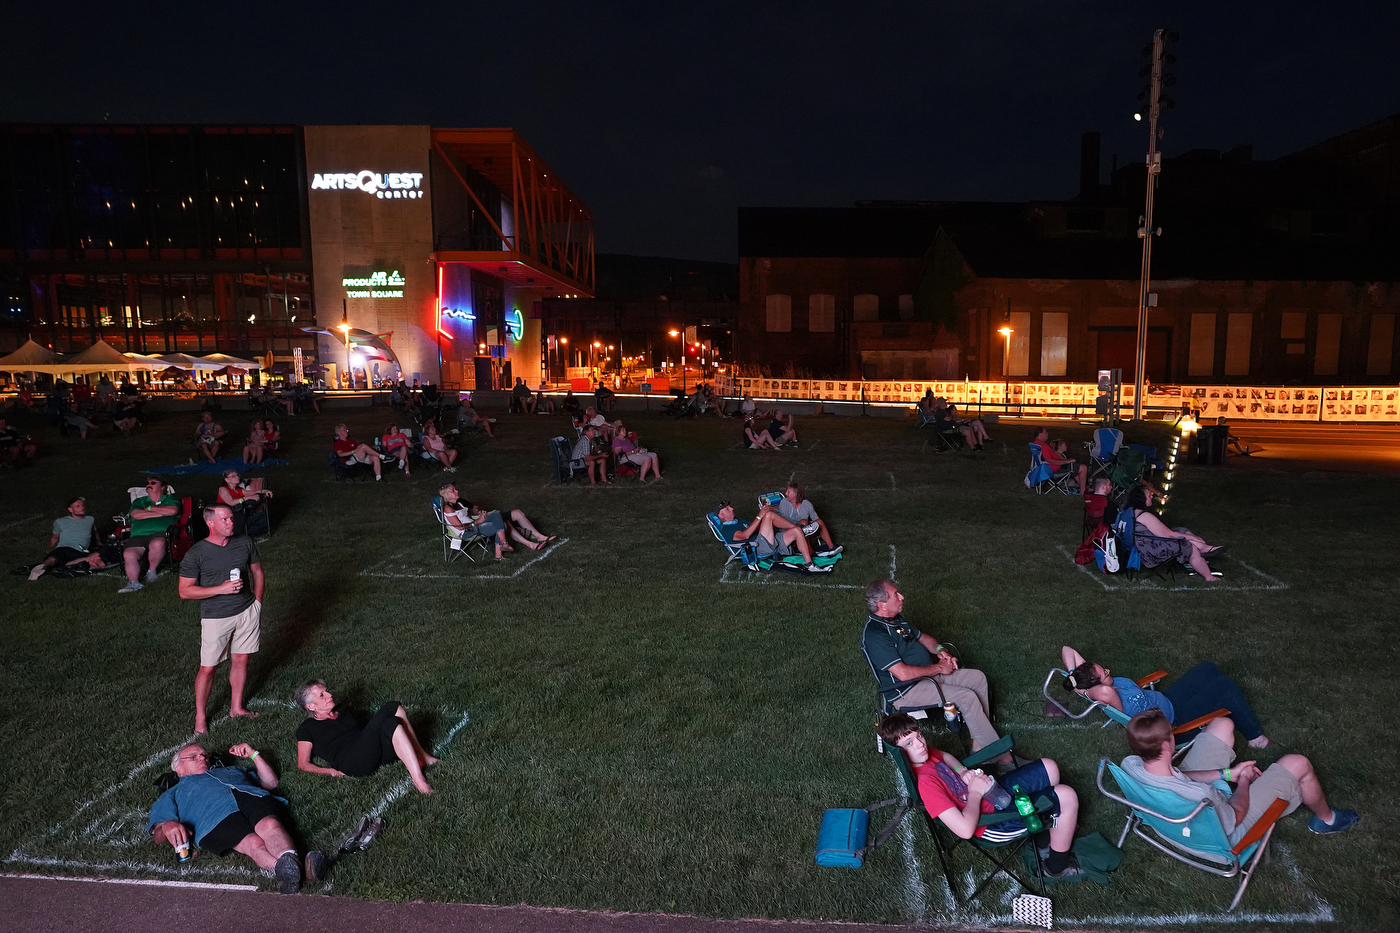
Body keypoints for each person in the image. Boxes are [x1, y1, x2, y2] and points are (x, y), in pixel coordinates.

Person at [878, 713, 1085, 880]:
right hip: (990, 824)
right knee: (1066, 796)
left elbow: (945, 756)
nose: (920, 745)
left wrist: (961, 771)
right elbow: (966, 830)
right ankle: (1055, 867)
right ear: (900, 752)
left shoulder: (923, 755)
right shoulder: (927, 784)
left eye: (919, 736)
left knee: (1049, 767)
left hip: (991, 793)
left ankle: (1043, 840)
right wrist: (975, 792)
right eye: (909, 743)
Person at [1121, 709, 1359, 847]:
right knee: (1298, 763)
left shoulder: (1130, 765)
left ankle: (1232, 774)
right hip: (1224, 831)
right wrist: (1243, 779)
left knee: (1222, 724)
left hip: (1175, 816)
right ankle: (1327, 820)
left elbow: (1180, 778)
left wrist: (1227, 774)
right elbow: (1235, 815)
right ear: (1167, 743)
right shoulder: (1199, 796)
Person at [147, 741, 325, 893]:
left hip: (250, 797)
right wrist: (167, 825)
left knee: (270, 825)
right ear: (179, 769)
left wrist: (254, 755)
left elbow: (271, 783)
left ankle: (293, 871)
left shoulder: (231, 770)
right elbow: (159, 834)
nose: (202, 758)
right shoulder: (173, 792)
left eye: (204, 755)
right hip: (212, 818)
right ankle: (302, 871)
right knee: (253, 844)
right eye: (193, 757)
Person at [862, 579, 1003, 755]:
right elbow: (903, 674)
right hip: (907, 690)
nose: (902, 597)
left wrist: (940, 650)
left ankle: (981, 746)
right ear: (882, 605)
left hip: (929, 675)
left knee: (977, 678)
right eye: (896, 595)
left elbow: (922, 638)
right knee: (966, 696)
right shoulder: (875, 635)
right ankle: (1000, 756)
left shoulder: (894, 619)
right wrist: (939, 668)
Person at [1059, 645, 1275, 748]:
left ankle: (1227, 705)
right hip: (1175, 722)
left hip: (1167, 699)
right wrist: (1083, 690)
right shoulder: (1109, 699)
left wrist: (1073, 677)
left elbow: (1067, 650)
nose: (1108, 670)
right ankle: (1256, 738)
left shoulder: (1096, 684)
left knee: (1207, 668)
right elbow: (1103, 691)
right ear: (1096, 687)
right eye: (1104, 673)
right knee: (1224, 685)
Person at [180, 504, 264, 734]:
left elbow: (257, 571)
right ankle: (200, 718)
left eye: (231, 518)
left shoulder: (244, 542)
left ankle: (236, 707)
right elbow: (185, 591)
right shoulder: (196, 553)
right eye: (225, 519)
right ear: (211, 523)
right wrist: (221, 589)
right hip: (216, 617)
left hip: (247, 610)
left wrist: (257, 602)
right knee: (208, 668)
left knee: (241, 659)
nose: (231, 523)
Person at [293, 681, 439, 794]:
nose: (330, 695)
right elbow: (303, 764)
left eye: (327, 691)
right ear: (311, 706)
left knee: (392, 722)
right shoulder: (307, 728)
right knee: (392, 707)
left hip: (372, 753)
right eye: (322, 695)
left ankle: (421, 758)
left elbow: (367, 732)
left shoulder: (343, 710)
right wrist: (330, 771)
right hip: (352, 761)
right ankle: (419, 781)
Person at [1122, 485, 1224, 581]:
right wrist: (1190, 538)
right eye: (1149, 496)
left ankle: (1203, 547)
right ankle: (1209, 576)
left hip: (1138, 547)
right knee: (1189, 545)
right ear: (1141, 498)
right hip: (1150, 552)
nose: (1151, 498)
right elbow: (1167, 534)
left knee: (1181, 530)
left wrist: (1187, 536)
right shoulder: (1144, 516)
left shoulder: (1129, 512)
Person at [439, 482, 556, 559]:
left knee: (514, 513)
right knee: (501, 522)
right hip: (468, 531)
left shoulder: (459, 502)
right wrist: (478, 521)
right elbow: (459, 527)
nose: (457, 491)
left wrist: (479, 514)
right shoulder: (448, 509)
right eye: (453, 491)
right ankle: (516, 545)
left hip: (475, 523)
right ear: (448, 495)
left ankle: (537, 537)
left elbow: (468, 514)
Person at [718, 499, 831, 573]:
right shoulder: (727, 529)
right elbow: (745, 535)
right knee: (769, 516)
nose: (732, 508)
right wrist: (760, 517)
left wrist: (767, 518)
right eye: (727, 509)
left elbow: (756, 528)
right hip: (757, 547)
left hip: (768, 541)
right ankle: (802, 529)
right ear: (721, 515)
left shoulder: (739, 521)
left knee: (796, 530)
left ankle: (809, 565)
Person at [120, 477, 179, 593]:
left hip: (160, 532)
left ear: (163, 487)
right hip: (138, 534)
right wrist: (160, 513)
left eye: (153, 483)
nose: (149, 485)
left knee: (157, 543)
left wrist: (149, 509)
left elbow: (172, 511)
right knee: (129, 553)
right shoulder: (139, 501)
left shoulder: (170, 499)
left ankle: (151, 571)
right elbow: (136, 514)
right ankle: (134, 583)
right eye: (147, 483)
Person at [28, 496, 97, 581]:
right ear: (70, 510)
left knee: (92, 558)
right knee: (55, 557)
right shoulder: (60, 521)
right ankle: (42, 567)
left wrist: (99, 543)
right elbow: (55, 537)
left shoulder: (90, 519)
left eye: (83, 505)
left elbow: (94, 532)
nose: (82, 507)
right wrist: (50, 549)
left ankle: (63, 565)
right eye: (77, 506)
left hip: (79, 551)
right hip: (64, 547)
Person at [777, 482, 840, 555]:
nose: (786, 493)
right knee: (804, 522)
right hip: (790, 531)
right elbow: (783, 522)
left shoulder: (807, 504)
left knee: (819, 522)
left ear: (796, 494)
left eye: (788, 492)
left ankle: (831, 547)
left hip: (807, 530)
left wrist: (809, 525)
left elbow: (815, 519)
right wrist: (800, 524)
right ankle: (810, 553)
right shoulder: (784, 503)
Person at [217, 469, 273, 536]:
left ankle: (248, 532)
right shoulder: (223, 489)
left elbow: (252, 492)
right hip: (227, 517)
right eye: (233, 476)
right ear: (226, 480)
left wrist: (265, 491)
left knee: (265, 515)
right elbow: (231, 502)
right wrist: (246, 498)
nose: (237, 477)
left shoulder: (238, 490)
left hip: (238, 513)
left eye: (237, 475)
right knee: (241, 517)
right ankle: (241, 533)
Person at [1032, 427, 1087, 493]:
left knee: (1075, 469)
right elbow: (1049, 460)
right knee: (1083, 467)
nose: (1047, 434)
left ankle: (1084, 488)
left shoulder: (1035, 444)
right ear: (1040, 435)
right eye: (1045, 433)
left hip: (1050, 467)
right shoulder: (1043, 446)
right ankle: (1083, 492)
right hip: (1055, 469)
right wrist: (1067, 461)